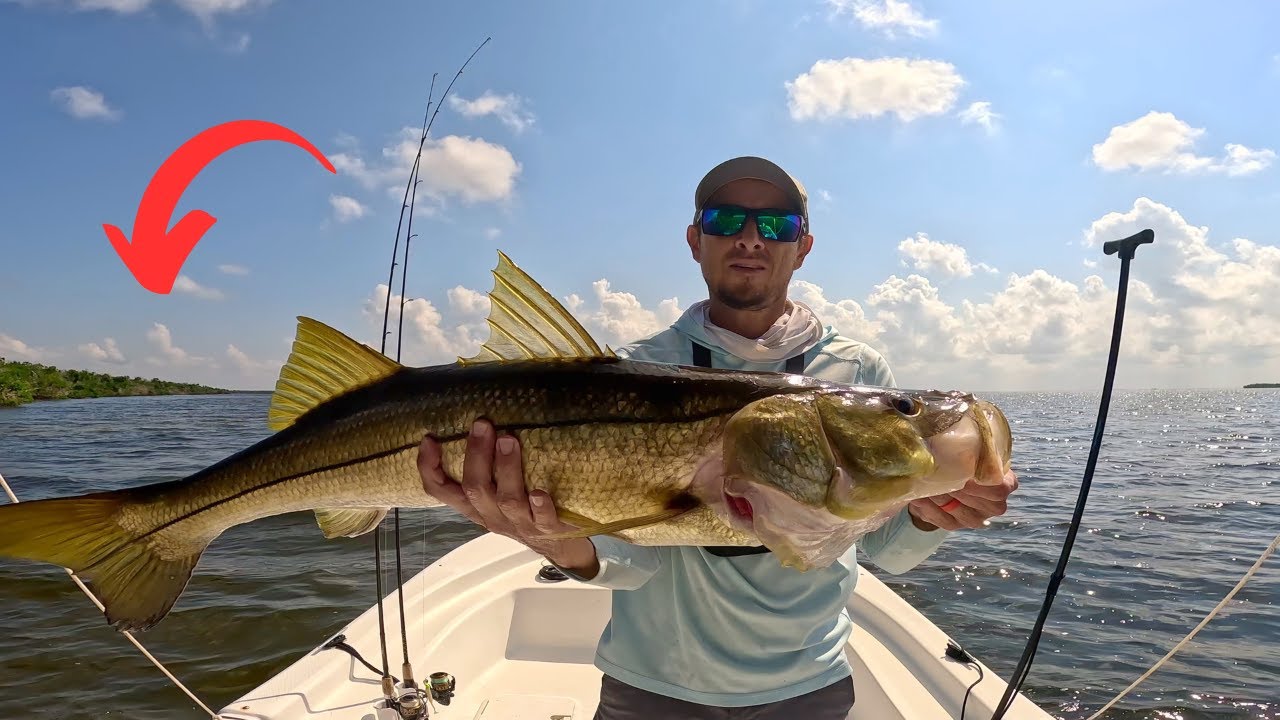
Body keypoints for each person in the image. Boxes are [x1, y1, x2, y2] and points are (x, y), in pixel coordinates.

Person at [416, 156, 1020, 719]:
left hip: (807, 684)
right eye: (726, 220)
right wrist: (561, 543)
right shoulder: (634, 368)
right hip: (651, 683)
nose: (751, 238)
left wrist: (934, 515)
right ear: (694, 240)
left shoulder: (857, 372)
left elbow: (888, 547)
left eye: (777, 224)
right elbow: (632, 549)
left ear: (803, 247)